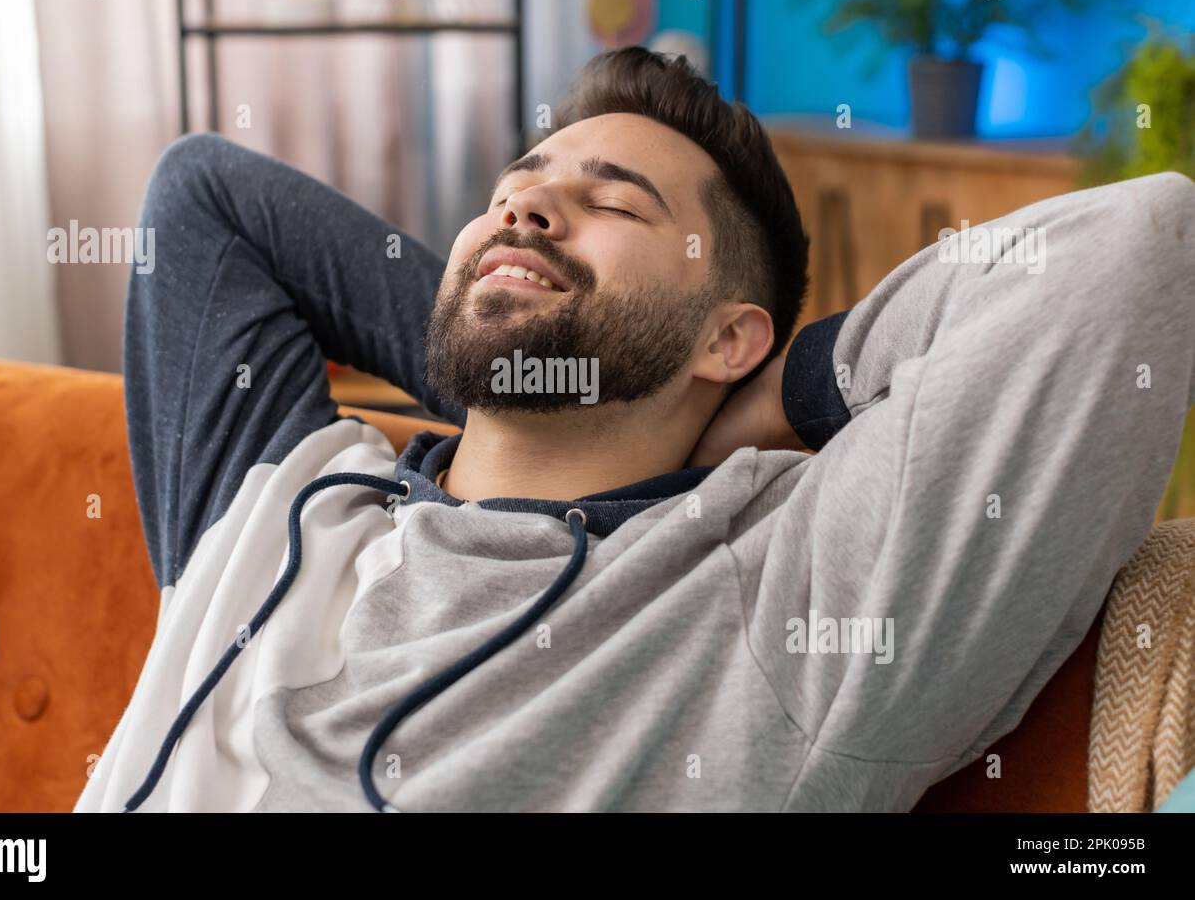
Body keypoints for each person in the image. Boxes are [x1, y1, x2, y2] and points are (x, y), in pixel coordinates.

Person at [75, 47, 1195, 812]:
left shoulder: (767, 591)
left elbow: (1142, 246)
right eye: (515, 188)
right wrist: (516, 359)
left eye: (613, 202)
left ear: (730, 335)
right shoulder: (290, 486)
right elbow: (202, 194)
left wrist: (760, 399)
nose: (522, 206)